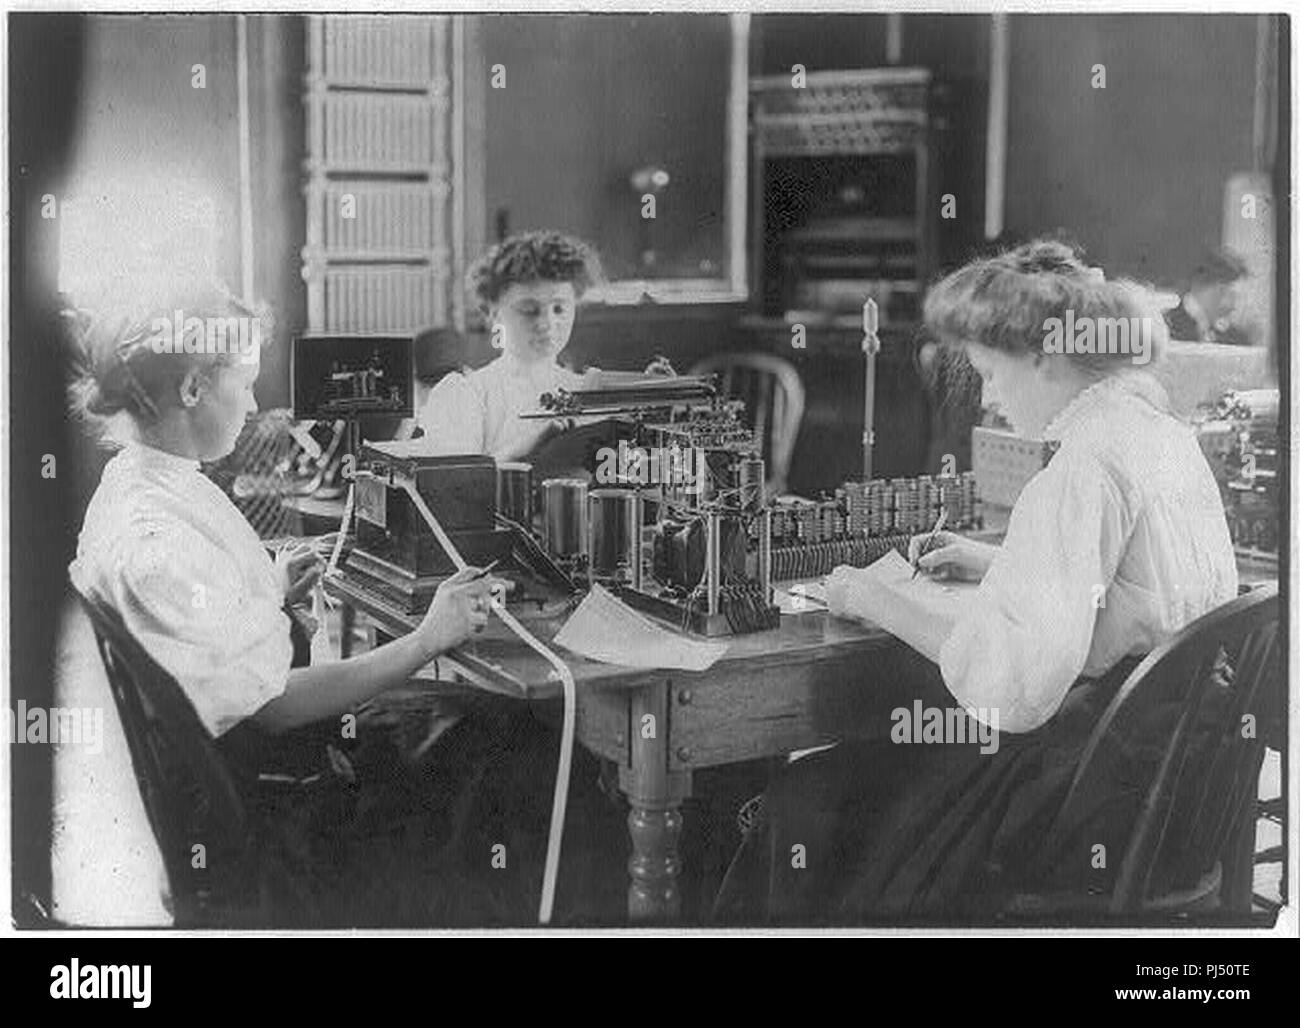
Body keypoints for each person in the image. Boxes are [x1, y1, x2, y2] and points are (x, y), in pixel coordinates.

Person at [68, 283, 625, 926]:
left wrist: (269, 590)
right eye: (244, 384)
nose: (253, 405)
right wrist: (425, 639)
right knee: (523, 738)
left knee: (487, 718)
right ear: (192, 388)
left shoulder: (142, 484)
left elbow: (202, 636)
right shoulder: (155, 543)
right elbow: (274, 707)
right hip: (285, 809)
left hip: (255, 763)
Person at [715, 240, 1239, 924]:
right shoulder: (1157, 435)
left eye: (992, 372)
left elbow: (1015, 687)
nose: (988, 398)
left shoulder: (1082, 467)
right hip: (1183, 786)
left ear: (1045, 357)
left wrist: (875, 597)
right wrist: (996, 560)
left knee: (809, 795)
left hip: (1092, 796)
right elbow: (1143, 592)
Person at [418, 231, 604, 462]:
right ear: (494, 313)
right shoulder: (470, 395)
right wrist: (523, 450)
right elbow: (456, 485)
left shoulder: (588, 390)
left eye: (559, 309)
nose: (547, 324)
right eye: (529, 311)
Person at [1164, 247, 1252, 345]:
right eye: (1233, 296)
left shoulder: (1236, 338)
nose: (1234, 307)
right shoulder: (1161, 328)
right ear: (1218, 289)